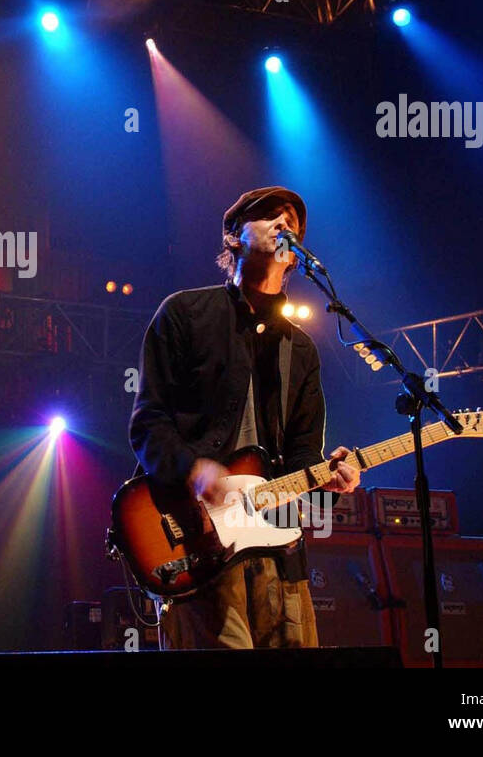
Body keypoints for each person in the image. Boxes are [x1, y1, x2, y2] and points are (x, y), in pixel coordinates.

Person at [129, 185, 360, 650]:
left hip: (279, 549)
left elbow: (301, 457)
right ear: (234, 235)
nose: (285, 225)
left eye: (292, 222)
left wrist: (331, 481)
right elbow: (148, 421)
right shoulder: (183, 314)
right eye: (270, 216)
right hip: (197, 540)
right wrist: (193, 469)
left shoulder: (301, 349)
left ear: (295, 257)